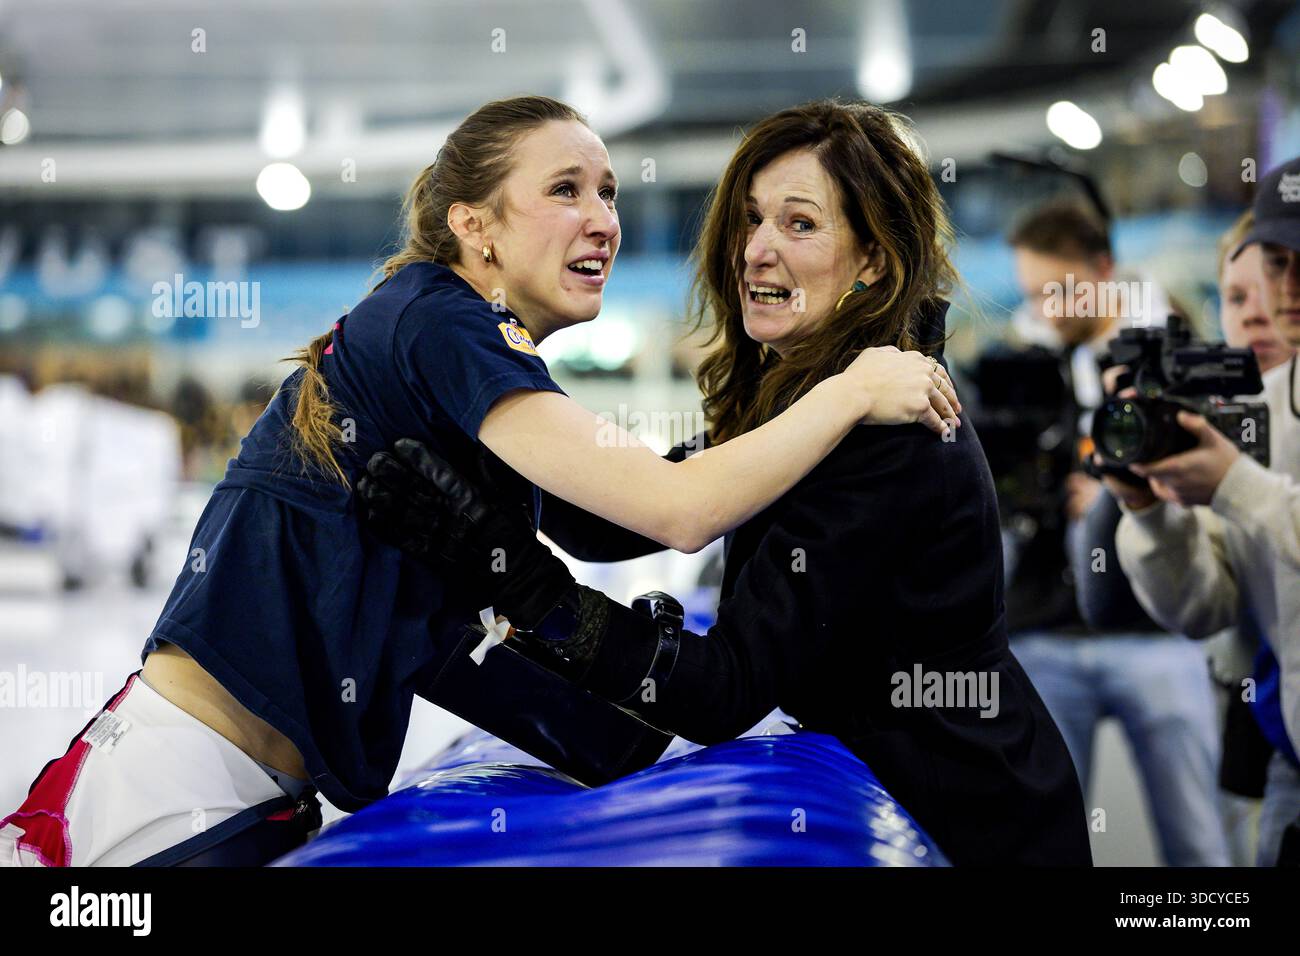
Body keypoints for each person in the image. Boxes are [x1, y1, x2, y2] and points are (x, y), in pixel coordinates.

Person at [0, 95, 962, 868]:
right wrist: (845, 392)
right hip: (165, 803)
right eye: (566, 190)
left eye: (611, 192)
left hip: (244, 798)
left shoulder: (450, 368)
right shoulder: (440, 318)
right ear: (475, 227)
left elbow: (596, 535)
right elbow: (681, 511)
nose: (604, 219)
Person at [359, 99, 1093, 867]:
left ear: (873, 259)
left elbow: (725, 689)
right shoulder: (802, 399)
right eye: (749, 220)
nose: (757, 251)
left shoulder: (889, 438)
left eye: (800, 225)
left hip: (967, 815)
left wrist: (529, 588)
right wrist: (493, 449)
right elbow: (618, 516)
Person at [1000, 200, 1230, 866]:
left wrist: (1123, 488)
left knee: (1196, 846)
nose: (1043, 309)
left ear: (1102, 268)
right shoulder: (1025, 365)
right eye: (1031, 295)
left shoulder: (1175, 351)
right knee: (1046, 845)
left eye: (1054, 291)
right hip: (1045, 634)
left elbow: (1214, 478)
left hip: (1158, 636)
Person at [1109, 156, 1300, 865]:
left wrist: (1232, 483)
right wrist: (1147, 510)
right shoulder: (1245, 420)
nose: (1264, 305)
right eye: (1238, 293)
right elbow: (1202, 608)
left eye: (1284, 272)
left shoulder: (1245, 443)